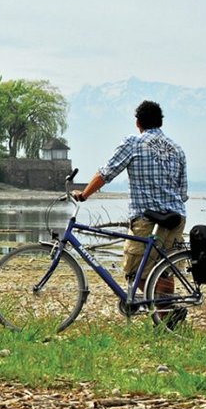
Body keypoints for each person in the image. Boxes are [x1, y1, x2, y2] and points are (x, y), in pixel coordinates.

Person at [72, 100, 188, 322]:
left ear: (138, 123)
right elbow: (182, 192)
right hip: (176, 217)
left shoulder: (134, 143)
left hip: (148, 218)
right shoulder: (177, 148)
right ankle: (167, 319)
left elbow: (106, 173)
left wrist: (84, 194)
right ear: (161, 122)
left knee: (136, 272)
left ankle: (170, 309)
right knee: (165, 268)